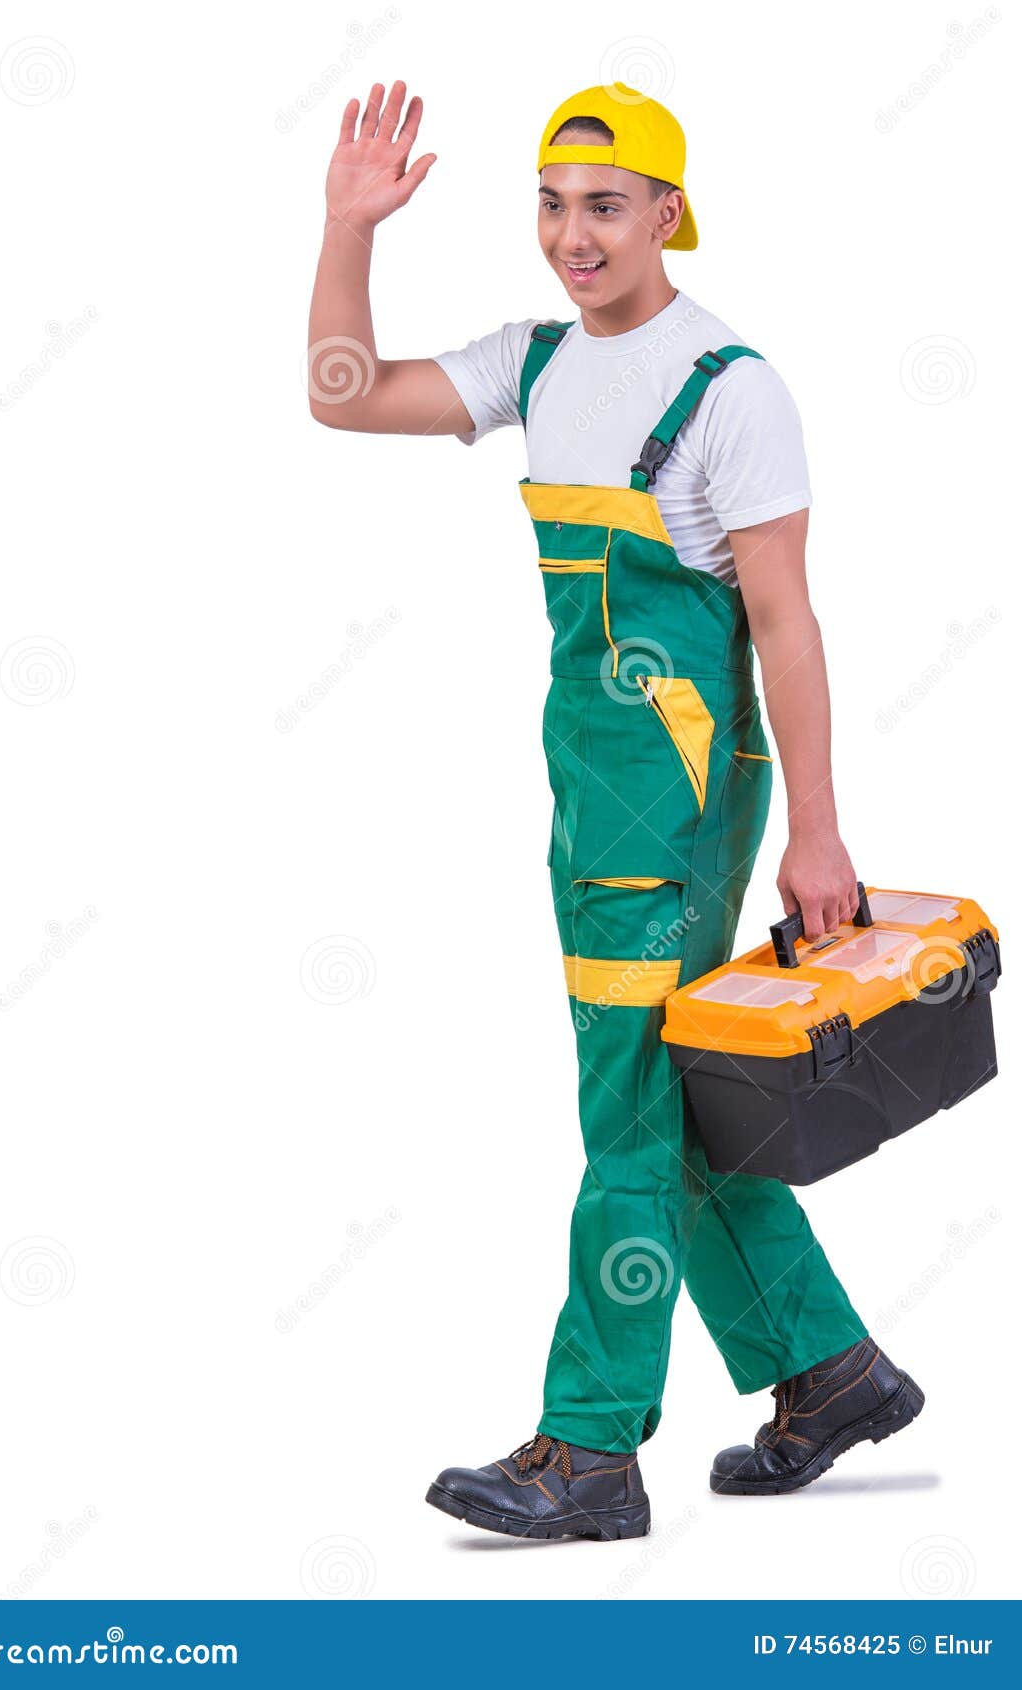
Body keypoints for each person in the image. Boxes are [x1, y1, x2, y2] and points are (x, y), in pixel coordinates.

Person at [307, 78, 925, 1542]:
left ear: (666, 211)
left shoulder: (731, 388)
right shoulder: (539, 364)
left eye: (602, 206)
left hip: (683, 799)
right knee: (678, 1091)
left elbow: (785, 620)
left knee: (626, 1115)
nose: (571, 237)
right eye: (549, 205)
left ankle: (590, 1447)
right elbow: (342, 398)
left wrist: (818, 827)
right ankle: (827, 1369)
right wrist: (347, 230)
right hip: (591, 792)